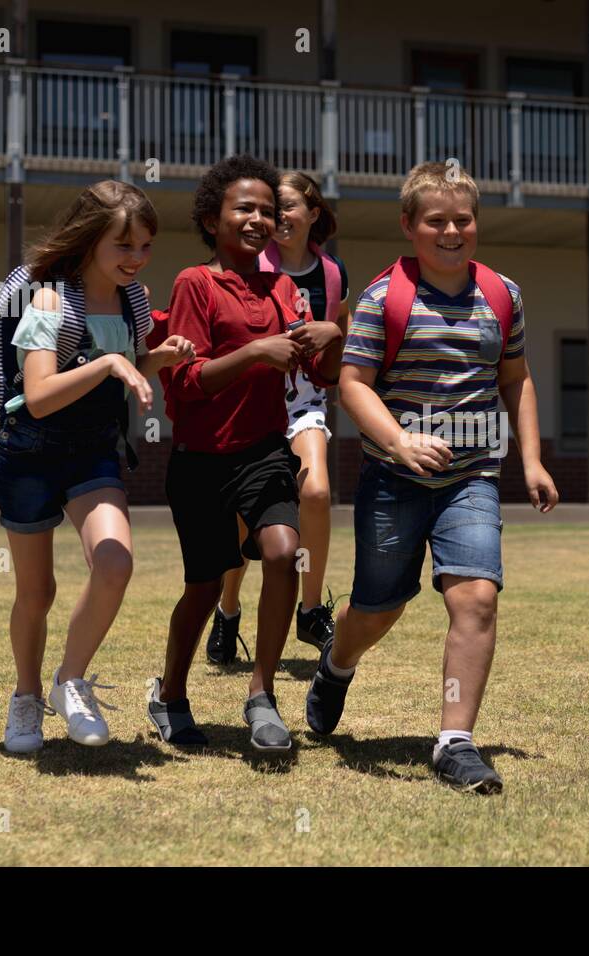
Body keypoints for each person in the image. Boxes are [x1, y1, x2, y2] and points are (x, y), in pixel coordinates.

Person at [303, 161, 559, 794]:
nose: (451, 231)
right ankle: (337, 664)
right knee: (378, 606)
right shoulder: (382, 296)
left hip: (472, 477)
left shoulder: (503, 293)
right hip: (393, 479)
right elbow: (353, 384)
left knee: (476, 597)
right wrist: (398, 440)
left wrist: (532, 459)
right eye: (436, 220)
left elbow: (515, 378)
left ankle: (455, 742)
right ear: (409, 225)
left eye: (462, 219)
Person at [148, 155, 342, 751]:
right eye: (245, 208)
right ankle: (171, 695)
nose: (260, 218)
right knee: (205, 587)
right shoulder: (194, 284)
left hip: (263, 451)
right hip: (201, 459)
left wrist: (333, 334)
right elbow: (185, 382)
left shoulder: (283, 287)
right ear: (212, 220)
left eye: (267, 208)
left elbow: (320, 373)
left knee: (284, 552)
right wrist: (258, 351)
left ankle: (262, 696)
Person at [0, 180, 194, 753]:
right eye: (123, 245)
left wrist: (155, 358)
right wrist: (111, 363)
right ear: (88, 241)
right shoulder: (50, 299)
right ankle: (25, 699)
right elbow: (38, 396)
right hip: (30, 453)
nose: (135, 259)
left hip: (92, 452)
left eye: (145, 246)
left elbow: (125, 368)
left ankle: (69, 681)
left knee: (115, 562)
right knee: (36, 593)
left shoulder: (132, 299)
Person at [207, 172, 351, 665]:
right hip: (256, 399)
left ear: (313, 214)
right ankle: (227, 610)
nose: (277, 217)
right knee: (250, 522)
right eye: (273, 208)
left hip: (305, 396)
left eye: (286, 207)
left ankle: (309, 611)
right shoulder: (253, 266)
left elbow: (340, 334)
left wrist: (333, 334)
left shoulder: (332, 274)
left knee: (315, 491)